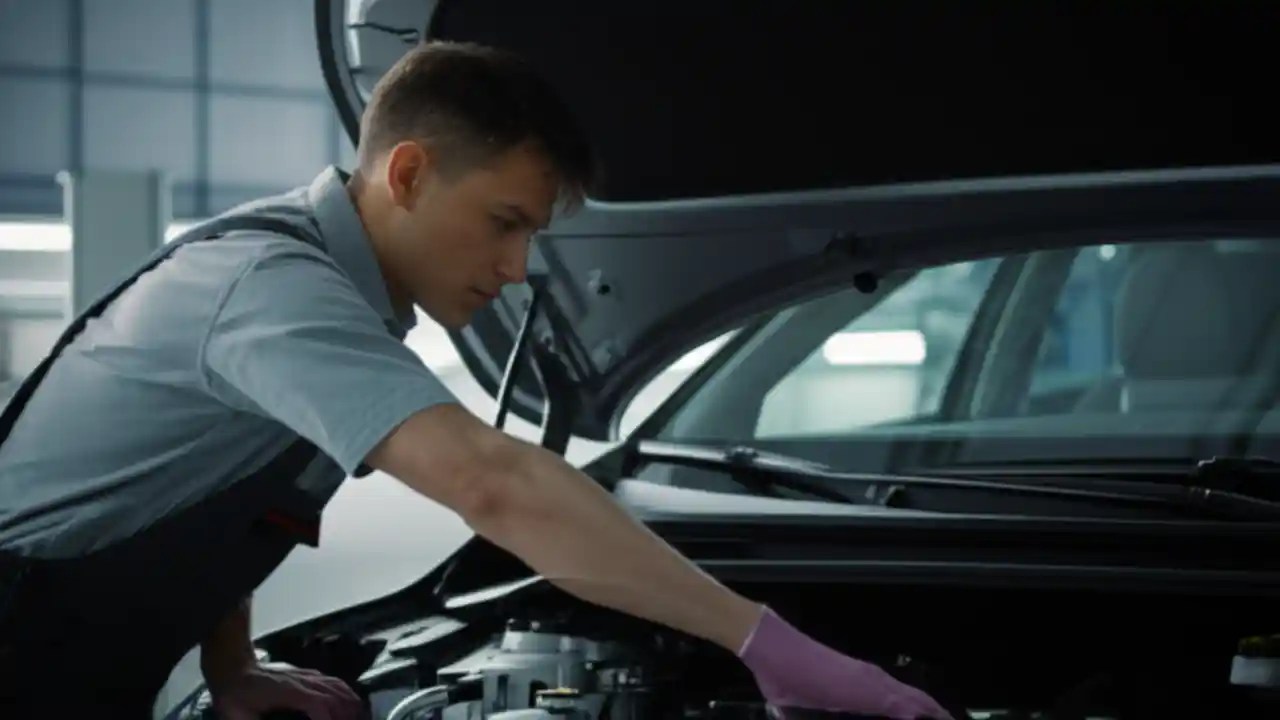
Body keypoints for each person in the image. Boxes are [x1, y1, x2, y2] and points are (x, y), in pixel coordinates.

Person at [0, 41, 952, 720]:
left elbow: (221, 509)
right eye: (504, 221)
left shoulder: (330, 304)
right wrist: (769, 647)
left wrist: (236, 666)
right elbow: (491, 481)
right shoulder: (270, 290)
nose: (518, 267)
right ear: (407, 173)